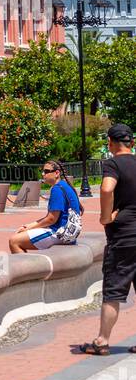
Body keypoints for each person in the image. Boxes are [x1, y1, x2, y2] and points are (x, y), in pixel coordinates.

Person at [80, 121, 136, 355]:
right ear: (131, 142)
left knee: (113, 291)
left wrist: (105, 216)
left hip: (123, 237)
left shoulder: (112, 164)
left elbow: (105, 189)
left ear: (110, 143)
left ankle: (102, 341)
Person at [9, 159, 81, 252]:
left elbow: (51, 219)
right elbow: (49, 218)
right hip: (68, 232)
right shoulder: (64, 185)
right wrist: (28, 226)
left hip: (58, 233)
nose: (43, 174)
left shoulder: (57, 189)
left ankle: (28, 267)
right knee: (20, 236)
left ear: (57, 173)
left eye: (46, 171)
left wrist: (29, 229)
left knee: (14, 241)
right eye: (42, 171)